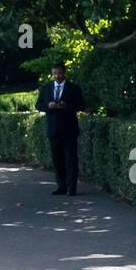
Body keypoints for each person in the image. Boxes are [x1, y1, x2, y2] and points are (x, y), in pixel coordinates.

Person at [35, 63, 86, 196]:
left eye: (60, 73)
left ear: (64, 73)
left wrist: (67, 105)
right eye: (55, 73)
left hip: (69, 129)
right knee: (57, 160)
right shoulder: (46, 88)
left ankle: (72, 188)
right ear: (52, 74)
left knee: (71, 160)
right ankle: (61, 186)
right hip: (53, 129)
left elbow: (81, 105)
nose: (57, 76)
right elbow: (38, 105)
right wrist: (48, 105)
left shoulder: (73, 88)